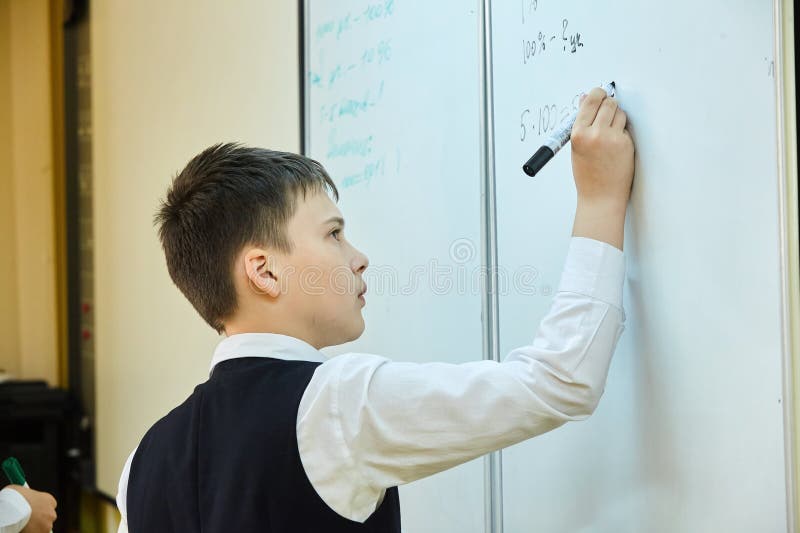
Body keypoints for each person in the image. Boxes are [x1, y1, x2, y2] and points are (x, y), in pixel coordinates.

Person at [117, 87, 634, 532]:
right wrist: (601, 201)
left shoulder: (143, 460)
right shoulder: (335, 405)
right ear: (265, 272)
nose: (359, 259)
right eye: (334, 234)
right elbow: (560, 380)